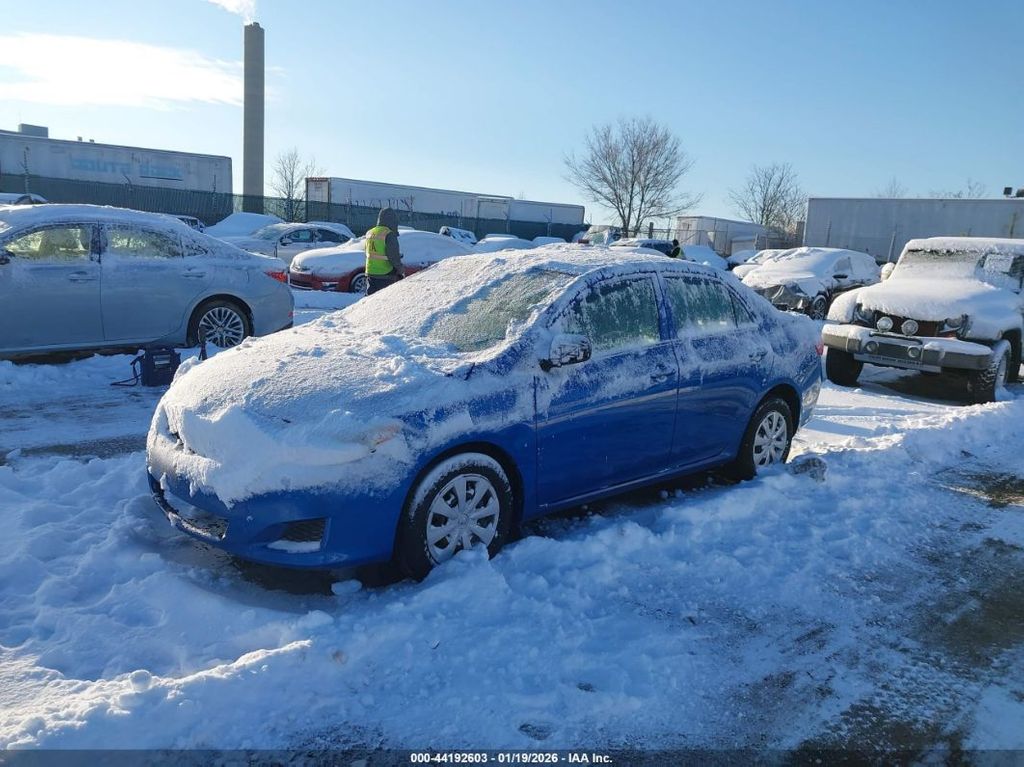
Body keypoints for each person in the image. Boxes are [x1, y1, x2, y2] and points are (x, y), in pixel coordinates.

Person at [364, 207, 404, 294]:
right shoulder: (389, 234)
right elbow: (393, 256)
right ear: (393, 221)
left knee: (371, 299)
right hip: (385, 274)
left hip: (370, 272)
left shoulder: (370, 232)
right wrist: (400, 269)